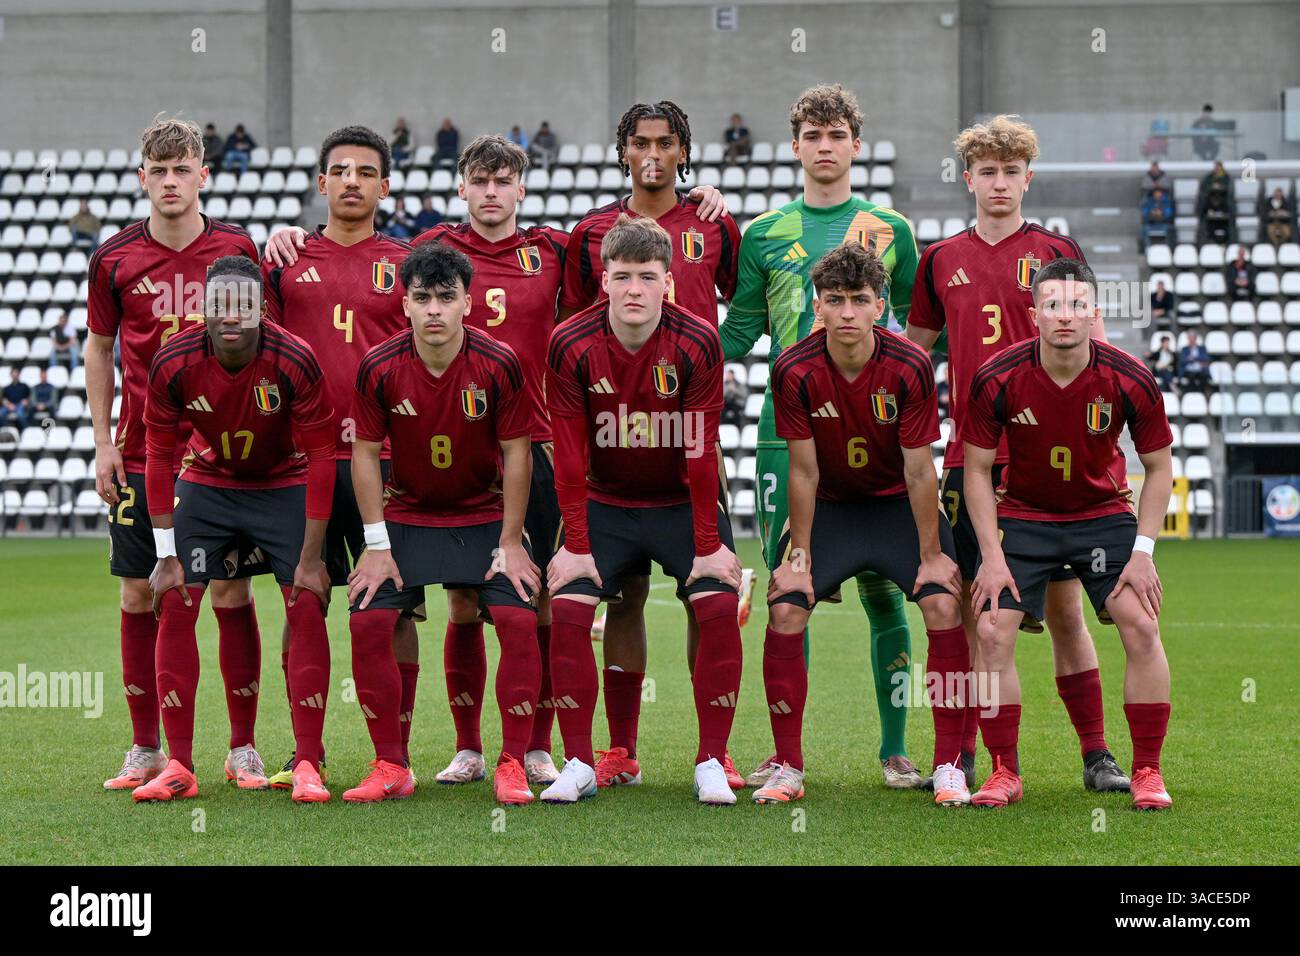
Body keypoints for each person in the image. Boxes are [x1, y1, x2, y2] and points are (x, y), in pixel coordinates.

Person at [905, 114, 1128, 794]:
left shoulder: (1056, 249)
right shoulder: (941, 259)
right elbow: (914, 353)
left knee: (1062, 611)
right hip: (970, 455)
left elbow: (1100, 351)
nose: (999, 183)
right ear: (967, 178)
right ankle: (969, 755)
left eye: (1011, 171)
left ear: (1027, 178)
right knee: (980, 611)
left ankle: (1096, 755)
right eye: (987, 172)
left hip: (1045, 461)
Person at [720, 84, 927, 790]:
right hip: (786, 434)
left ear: (855, 146)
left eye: (837, 133)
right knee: (791, 587)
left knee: (885, 592)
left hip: (878, 433)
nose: (825, 145)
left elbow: (914, 333)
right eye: (812, 134)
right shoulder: (763, 232)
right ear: (796, 145)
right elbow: (740, 332)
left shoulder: (891, 230)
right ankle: (787, 757)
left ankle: (896, 750)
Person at [558, 100, 742, 792]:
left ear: (684, 149)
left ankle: (714, 754)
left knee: (706, 595)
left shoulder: (714, 221)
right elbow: (574, 319)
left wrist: (723, 358)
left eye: (667, 143)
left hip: (688, 436)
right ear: (624, 150)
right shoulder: (591, 233)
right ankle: (619, 750)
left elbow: (744, 302)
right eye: (642, 143)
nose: (654, 154)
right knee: (622, 599)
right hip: (611, 443)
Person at [87, 116, 263, 793]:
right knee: (141, 591)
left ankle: (242, 746)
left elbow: (261, 344)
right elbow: (100, 351)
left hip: (221, 457)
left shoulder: (236, 250)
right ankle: (144, 747)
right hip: (140, 454)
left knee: (228, 587)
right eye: (157, 171)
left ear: (202, 176)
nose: (169, 182)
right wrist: (103, 442)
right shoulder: (114, 259)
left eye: (180, 169)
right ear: (142, 179)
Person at [962, 256, 1175, 812]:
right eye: (1052, 304)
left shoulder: (1128, 377)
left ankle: (1148, 769)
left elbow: (1159, 467)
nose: (1064, 315)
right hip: (1025, 519)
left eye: (1076, 305)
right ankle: (1004, 769)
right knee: (990, 633)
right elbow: (978, 470)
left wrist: (1145, 551)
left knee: (1141, 625)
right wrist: (990, 554)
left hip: (1101, 516)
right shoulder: (997, 376)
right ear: (1033, 314)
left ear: (1093, 313)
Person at [761, 243, 969, 807]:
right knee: (784, 605)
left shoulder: (909, 364)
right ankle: (788, 767)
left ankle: (949, 765)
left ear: (880, 306)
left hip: (896, 506)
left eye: (859, 300)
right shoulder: (793, 366)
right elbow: (803, 471)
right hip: (830, 506)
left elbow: (919, 470)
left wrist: (931, 553)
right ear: (818, 306)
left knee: (944, 602)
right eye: (835, 300)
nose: (847, 312)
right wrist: (798, 556)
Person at [133, 256, 336, 804]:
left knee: (306, 600)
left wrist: (312, 556)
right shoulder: (175, 360)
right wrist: (165, 553)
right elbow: (156, 453)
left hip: (283, 482)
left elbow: (322, 455)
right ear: (202, 308)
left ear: (261, 309)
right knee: (176, 599)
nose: (231, 315)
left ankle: (308, 762)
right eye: (219, 303)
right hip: (208, 481)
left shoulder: (294, 357)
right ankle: (178, 763)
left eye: (243, 304)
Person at [345, 242, 542, 806]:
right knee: (365, 621)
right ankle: (391, 764)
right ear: (404, 304)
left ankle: (511, 763)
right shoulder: (379, 365)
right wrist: (376, 545)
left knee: (517, 617)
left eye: (446, 298)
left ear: (467, 303)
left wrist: (510, 541)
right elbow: (363, 454)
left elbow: (518, 453)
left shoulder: (499, 362)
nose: (434, 309)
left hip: (482, 514)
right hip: (406, 515)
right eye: (423, 298)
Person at [258, 126, 418, 788]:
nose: (352, 180)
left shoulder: (411, 264)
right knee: (304, 599)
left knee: (395, 610)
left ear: (385, 186)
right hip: (304, 462)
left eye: (366, 171)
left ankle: (396, 756)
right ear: (321, 183)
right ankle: (305, 755)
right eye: (340, 170)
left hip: (386, 464)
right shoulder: (283, 262)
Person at [410, 135, 567, 787]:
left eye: (504, 180)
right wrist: (284, 237)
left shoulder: (553, 251)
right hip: (460, 450)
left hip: (538, 446)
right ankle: (470, 746)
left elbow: (629, 235)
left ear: (522, 188)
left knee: (542, 602)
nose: (492, 191)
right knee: (466, 603)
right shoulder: (434, 254)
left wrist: (704, 195)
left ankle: (533, 745)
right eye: (480, 180)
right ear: (462, 188)